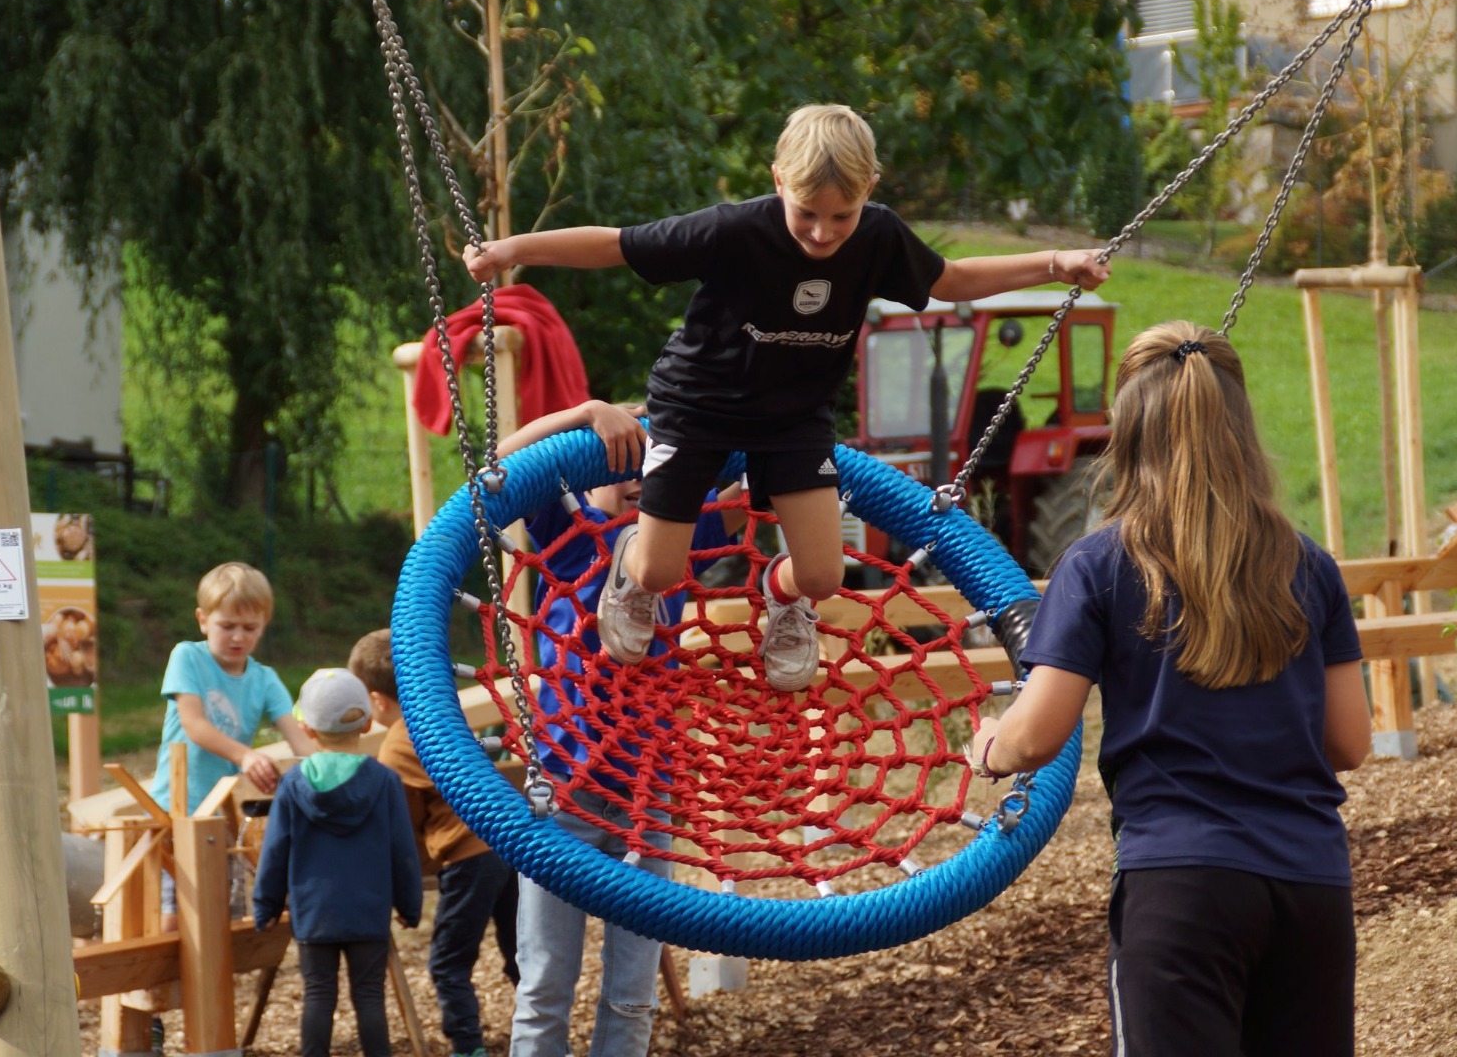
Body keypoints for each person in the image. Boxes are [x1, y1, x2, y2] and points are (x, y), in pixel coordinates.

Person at [464, 103, 1109, 693]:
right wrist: (513, 250)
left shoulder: (879, 237)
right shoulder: (733, 231)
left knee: (823, 575)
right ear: (778, 180)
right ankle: (630, 575)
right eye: (807, 212)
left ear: (868, 194)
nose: (824, 233)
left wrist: (1055, 262)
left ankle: (782, 593)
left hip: (795, 416)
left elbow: (953, 280)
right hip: (698, 406)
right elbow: (618, 243)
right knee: (663, 572)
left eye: (841, 216)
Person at [969, 322, 1373, 1057]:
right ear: (1242, 428)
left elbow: (1038, 733)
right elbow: (1349, 742)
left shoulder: (1098, 564)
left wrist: (991, 746)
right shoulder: (1310, 567)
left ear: (1127, 433)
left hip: (1182, 889)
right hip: (1312, 886)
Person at [495, 398, 745, 1057]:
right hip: (566, 784)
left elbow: (748, 468)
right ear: (581, 478)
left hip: (646, 790)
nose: (639, 478)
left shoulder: (678, 538)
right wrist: (584, 416)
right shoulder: (564, 527)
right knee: (546, 980)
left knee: (632, 991)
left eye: (654, 466)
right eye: (623, 463)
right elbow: (496, 465)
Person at [350, 629, 520, 1057]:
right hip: (510, 847)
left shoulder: (395, 748)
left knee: (448, 964)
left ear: (375, 700)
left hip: (468, 858)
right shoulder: (444, 715)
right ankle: (547, 1038)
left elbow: (402, 828)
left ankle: (468, 1047)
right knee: (521, 953)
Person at [253, 669, 424, 1057]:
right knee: (368, 996)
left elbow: (275, 850)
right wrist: (409, 906)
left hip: (314, 914)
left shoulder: (294, 784)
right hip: (368, 911)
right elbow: (403, 850)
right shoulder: (384, 782)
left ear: (307, 729)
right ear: (365, 723)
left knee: (318, 995)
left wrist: (266, 905)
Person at [151, 561, 313, 930]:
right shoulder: (187, 657)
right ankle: (163, 990)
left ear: (264, 625)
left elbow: (298, 738)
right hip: (176, 807)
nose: (238, 637)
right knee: (172, 915)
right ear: (203, 620)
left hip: (224, 815)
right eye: (227, 626)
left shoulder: (265, 679)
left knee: (223, 916)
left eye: (250, 628)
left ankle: (216, 987)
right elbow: (193, 724)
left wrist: (329, 768)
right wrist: (245, 754)